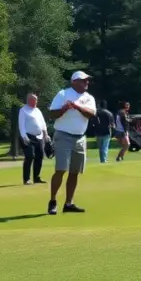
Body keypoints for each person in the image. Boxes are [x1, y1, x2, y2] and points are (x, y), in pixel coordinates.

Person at [48, 71, 96, 214]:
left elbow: (91, 114)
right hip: (63, 135)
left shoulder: (88, 97)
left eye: (87, 80)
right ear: (74, 82)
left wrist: (76, 106)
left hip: (80, 137)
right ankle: (53, 201)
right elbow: (52, 114)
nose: (86, 83)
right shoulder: (63, 94)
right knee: (61, 169)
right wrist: (64, 108)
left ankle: (69, 203)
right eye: (83, 80)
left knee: (74, 172)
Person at [18, 94, 50, 185]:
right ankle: (26, 179)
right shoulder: (23, 110)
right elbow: (21, 125)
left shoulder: (37, 110)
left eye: (36, 100)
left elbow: (43, 123)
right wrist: (24, 137)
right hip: (28, 137)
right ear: (29, 100)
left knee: (39, 156)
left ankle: (36, 178)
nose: (36, 102)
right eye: (34, 100)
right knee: (30, 156)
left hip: (39, 137)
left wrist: (46, 134)